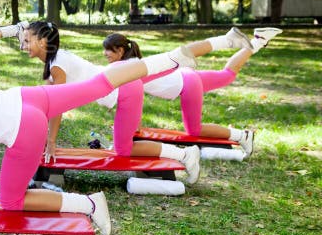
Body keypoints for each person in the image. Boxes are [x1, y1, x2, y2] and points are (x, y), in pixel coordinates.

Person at [0, 30, 198, 235]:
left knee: (11, 202)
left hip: (22, 126)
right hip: (23, 98)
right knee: (97, 83)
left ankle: (88, 204)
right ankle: (170, 59)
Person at [22, 22, 255, 183]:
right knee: (173, 58)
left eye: (27, 39)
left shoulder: (58, 65)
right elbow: (49, 101)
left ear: (43, 41)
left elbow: (57, 106)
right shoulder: (57, 60)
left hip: (123, 86)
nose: (23, 44)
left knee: (124, 149)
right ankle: (227, 40)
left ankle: (184, 155)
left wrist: (51, 141)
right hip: (120, 77)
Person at [101, 27, 282, 157]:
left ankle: (242, 136)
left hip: (187, 85)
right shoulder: (135, 63)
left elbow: (128, 100)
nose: (104, 54)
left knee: (194, 130)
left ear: (120, 50)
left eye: (107, 50)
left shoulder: (127, 68)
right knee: (226, 75)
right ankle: (258, 41)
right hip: (186, 76)